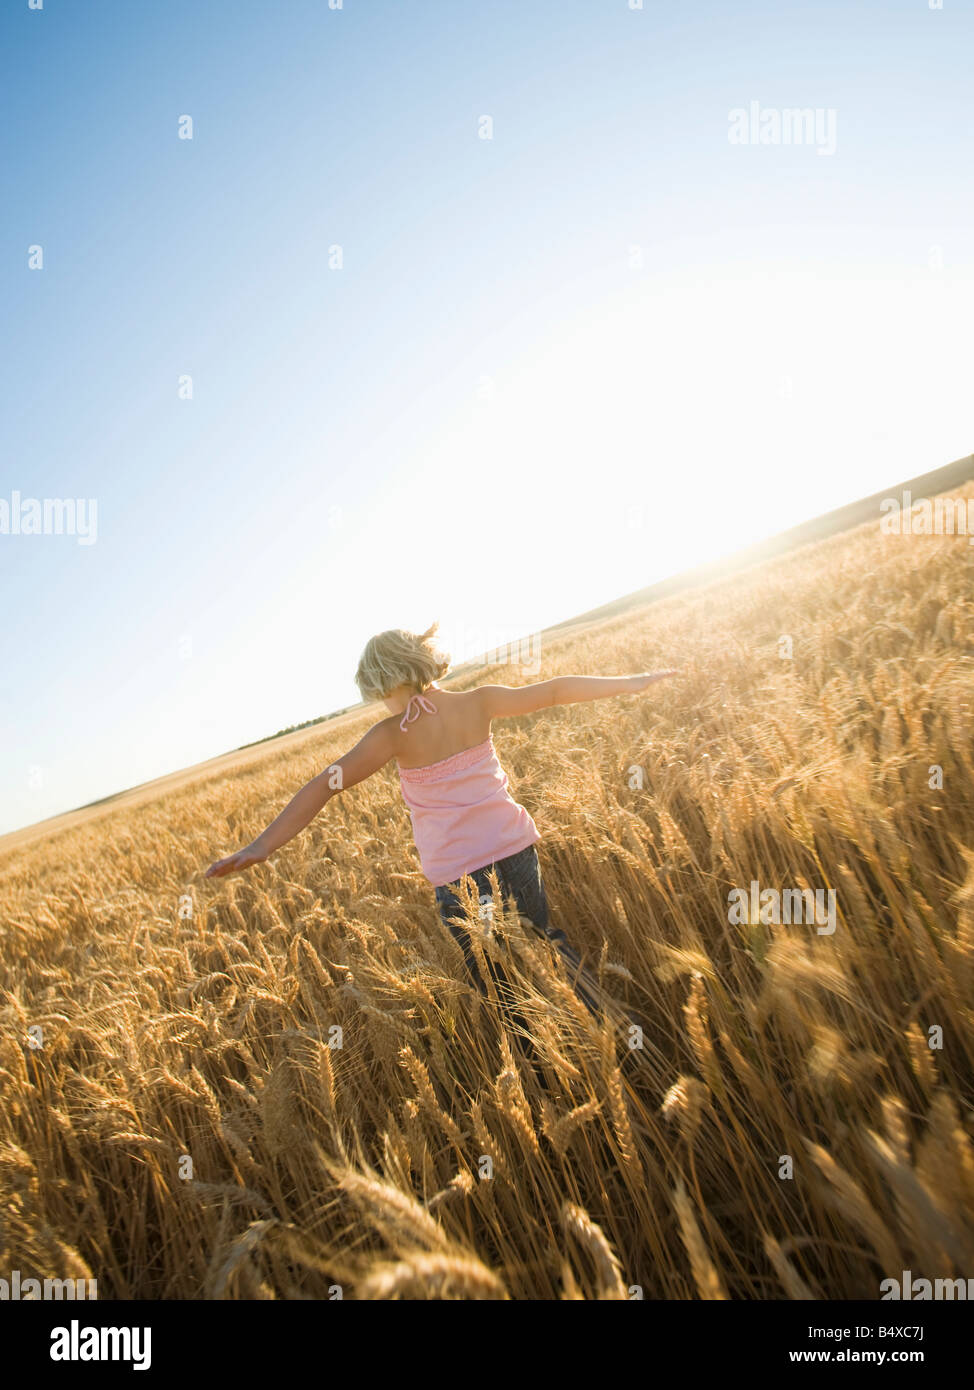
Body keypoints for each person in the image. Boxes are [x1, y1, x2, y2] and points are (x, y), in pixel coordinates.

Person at [205, 622, 677, 1031]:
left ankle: (539, 1072)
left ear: (379, 682)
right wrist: (633, 681)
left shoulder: (392, 735)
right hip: (515, 850)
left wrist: (263, 845)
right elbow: (553, 691)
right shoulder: (478, 701)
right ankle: (611, 1032)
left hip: (459, 877)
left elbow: (325, 786)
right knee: (548, 942)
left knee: (499, 982)